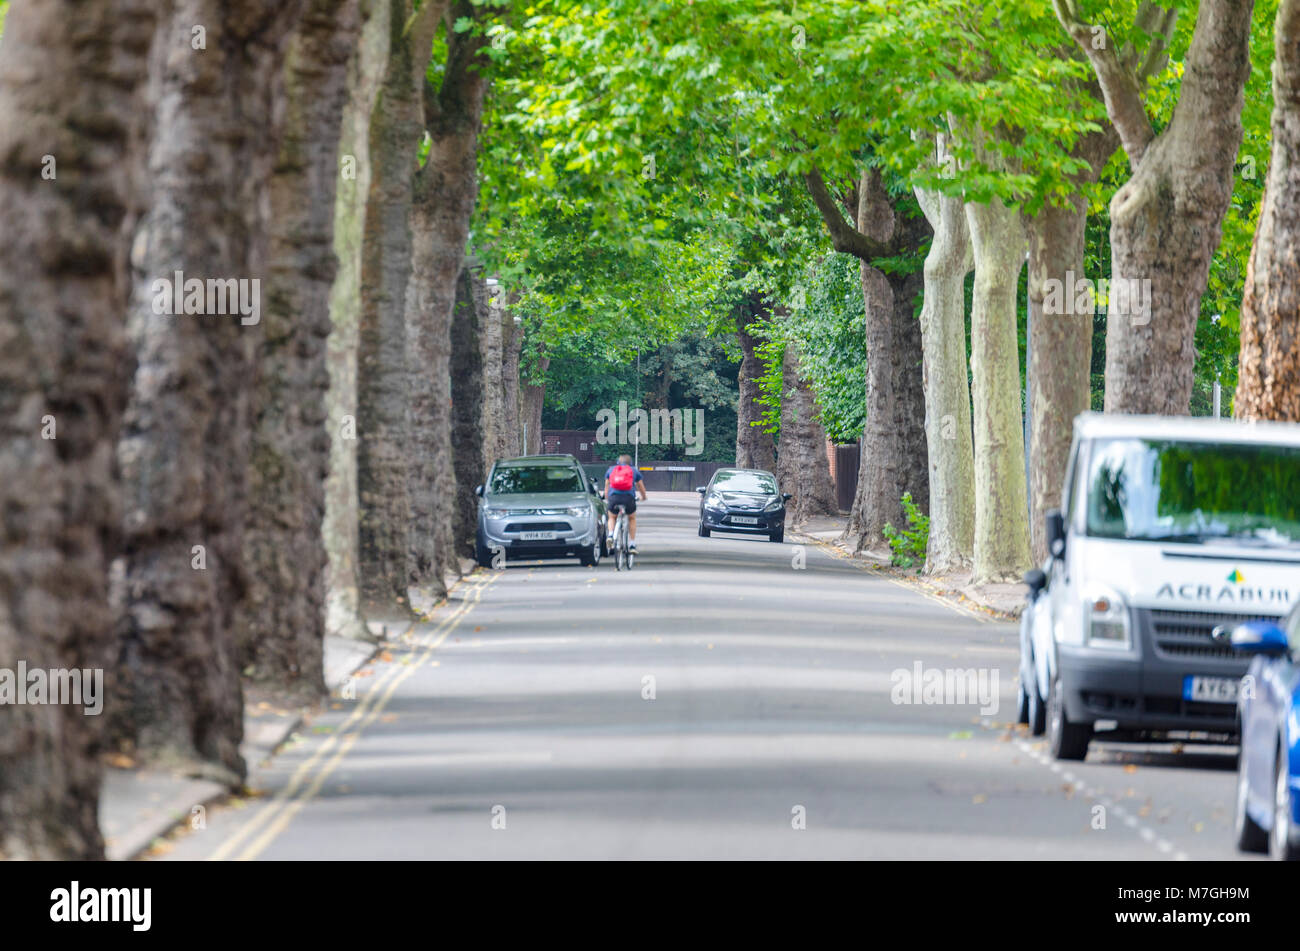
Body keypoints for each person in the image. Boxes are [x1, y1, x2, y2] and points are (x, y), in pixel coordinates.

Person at [604, 454, 647, 551]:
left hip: (614, 498)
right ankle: (632, 544)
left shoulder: (611, 469)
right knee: (632, 518)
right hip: (628, 498)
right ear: (630, 463)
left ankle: (610, 535)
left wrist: (607, 496)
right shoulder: (633, 470)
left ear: (618, 462)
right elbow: (640, 486)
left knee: (611, 517)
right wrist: (643, 497)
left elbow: (607, 484)